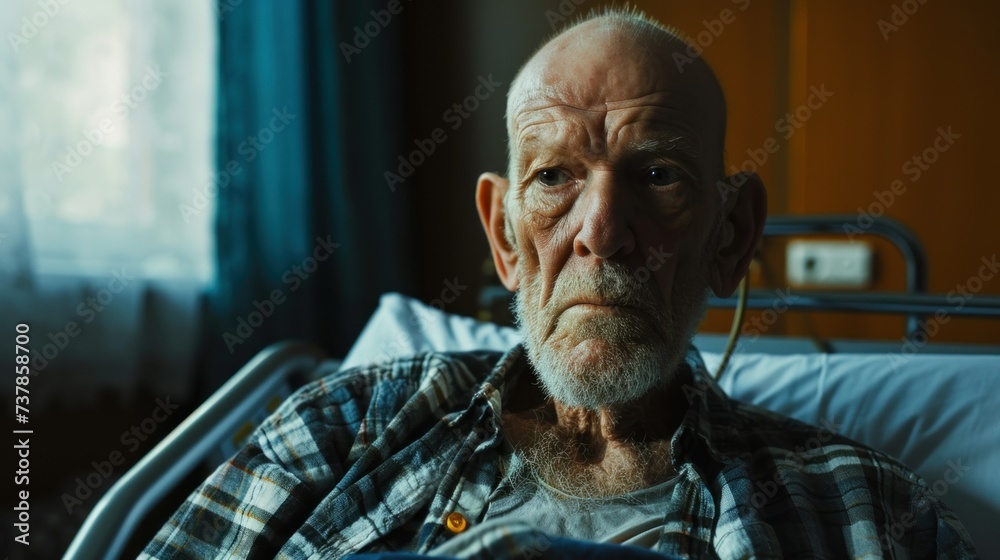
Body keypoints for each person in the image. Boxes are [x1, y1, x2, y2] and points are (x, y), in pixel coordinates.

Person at [141, 8, 977, 559]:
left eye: (658, 175)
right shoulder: (336, 430)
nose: (601, 232)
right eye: (552, 178)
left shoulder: (860, 510)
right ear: (504, 235)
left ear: (730, 235)